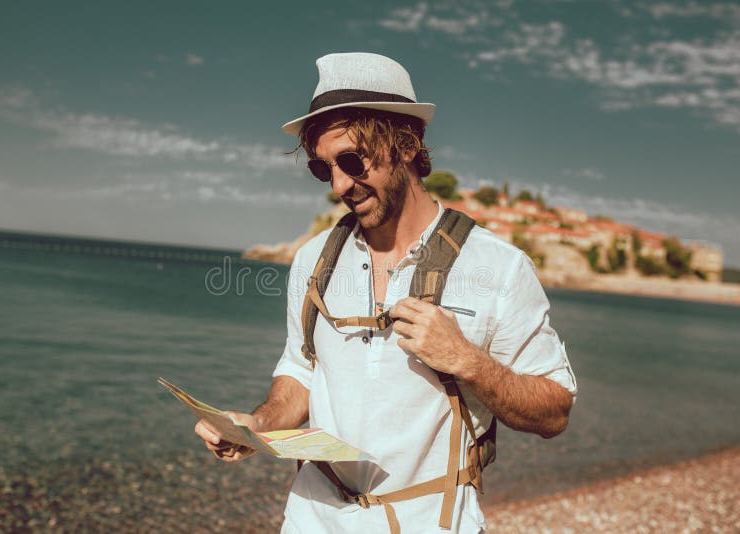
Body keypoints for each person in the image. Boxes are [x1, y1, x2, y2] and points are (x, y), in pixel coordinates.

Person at [195, 52, 577, 533]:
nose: (338, 184)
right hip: (311, 520)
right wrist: (259, 426)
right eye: (323, 168)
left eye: (352, 161)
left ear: (406, 143)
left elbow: (555, 411)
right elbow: (301, 369)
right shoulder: (313, 260)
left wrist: (467, 360)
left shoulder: (498, 267)